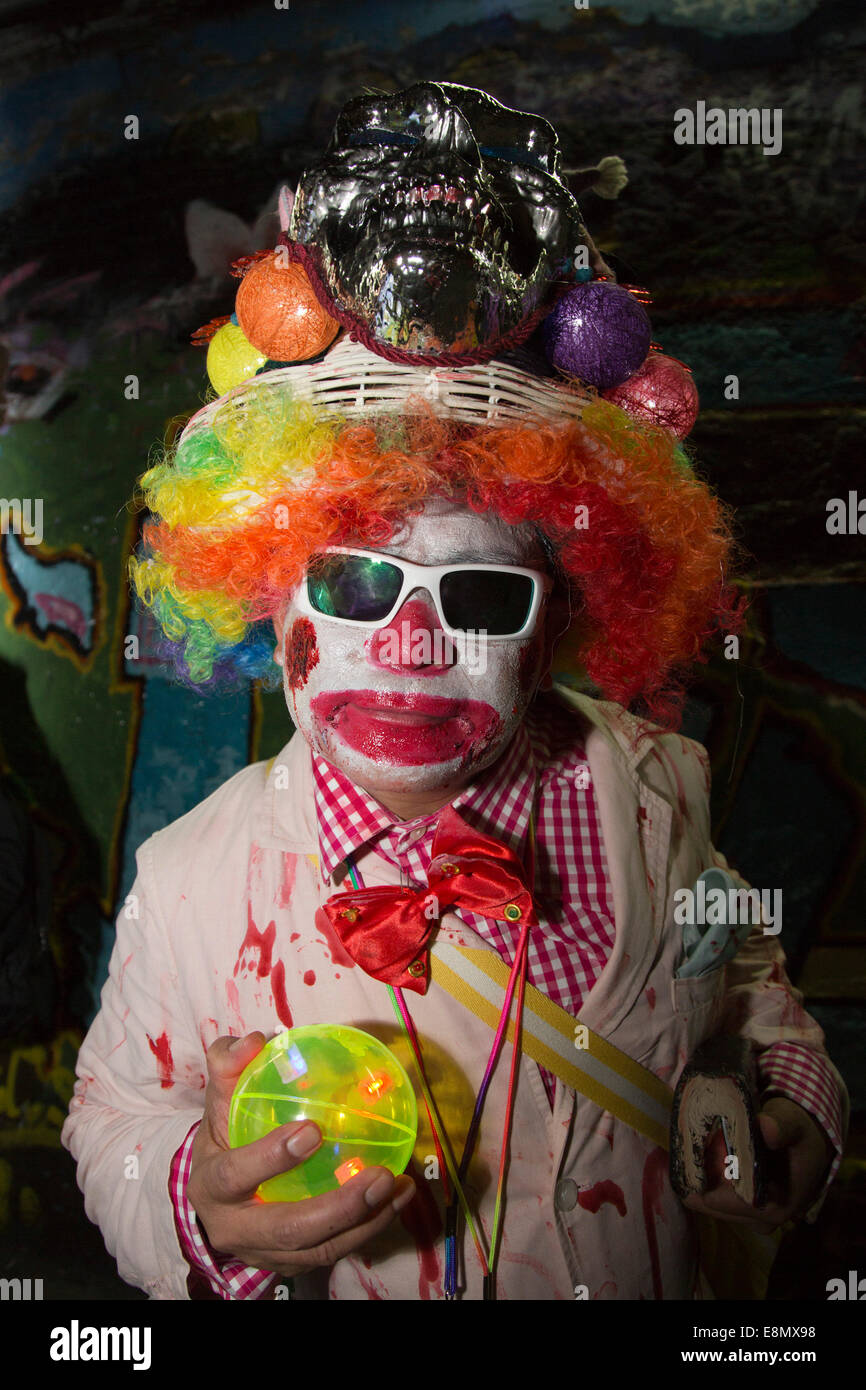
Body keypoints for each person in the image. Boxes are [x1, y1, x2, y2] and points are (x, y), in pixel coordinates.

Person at [62, 81, 846, 1301]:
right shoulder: (191, 882)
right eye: (358, 586)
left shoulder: (661, 799)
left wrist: (790, 1099)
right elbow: (113, 1110)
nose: (413, 645)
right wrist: (195, 1206)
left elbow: (746, 988)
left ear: (564, 618)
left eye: (480, 597)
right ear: (268, 593)